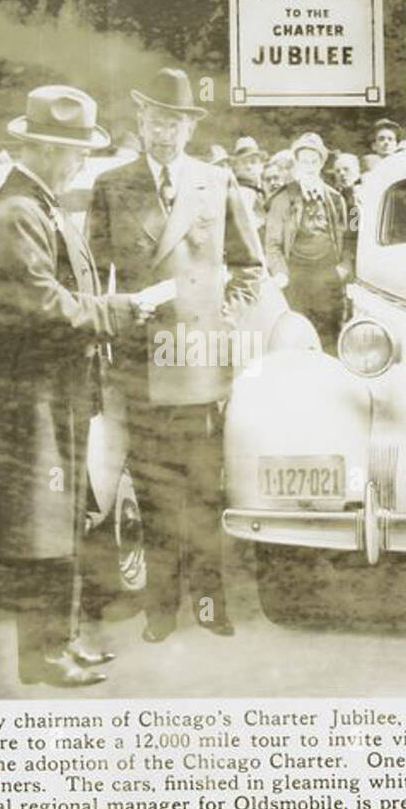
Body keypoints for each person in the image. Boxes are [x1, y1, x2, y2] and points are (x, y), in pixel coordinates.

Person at [0, 85, 151, 687]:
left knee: (63, 518)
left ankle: (60, 641)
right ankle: (42, 654)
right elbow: (45, 306)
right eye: (75, 152)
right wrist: (118, 310)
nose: (80, 163)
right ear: (46, 151)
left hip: (57, 389)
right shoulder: (18, 211)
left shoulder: (37, 205)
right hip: (33, 395)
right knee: (38, 527)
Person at [88, 67, 264, 643]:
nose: (163, 132)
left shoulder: (218, 183)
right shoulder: (112, 186)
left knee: (205, 491)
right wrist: (118, 312)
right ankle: (161, 608)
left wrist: (225, 317)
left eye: (174, 123)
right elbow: (91, 276)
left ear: (189, 128)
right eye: (154, 120)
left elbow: (250, 267)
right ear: (139, 122)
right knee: (157, 493)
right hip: (141, 365)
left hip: (200, 363)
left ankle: (211, 603)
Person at [263, 132, 352, 352]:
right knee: (296, 340)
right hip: (295, 280)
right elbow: (272, 244)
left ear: (322, 164)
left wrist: (344, 268)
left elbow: (348, 237)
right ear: (296, 164)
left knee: (331, 338)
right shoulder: (283, 199)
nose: (309, 167)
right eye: (304, 162)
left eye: (314, 161)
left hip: (328, 279)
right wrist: (280, 273)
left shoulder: (335, 198)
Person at [229, 136, 268, 231]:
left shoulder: (264, 188)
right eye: (244, 162)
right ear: (236, 166)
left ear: (261, 165)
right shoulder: (240, 192)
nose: (249, 166)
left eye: (253, 162)